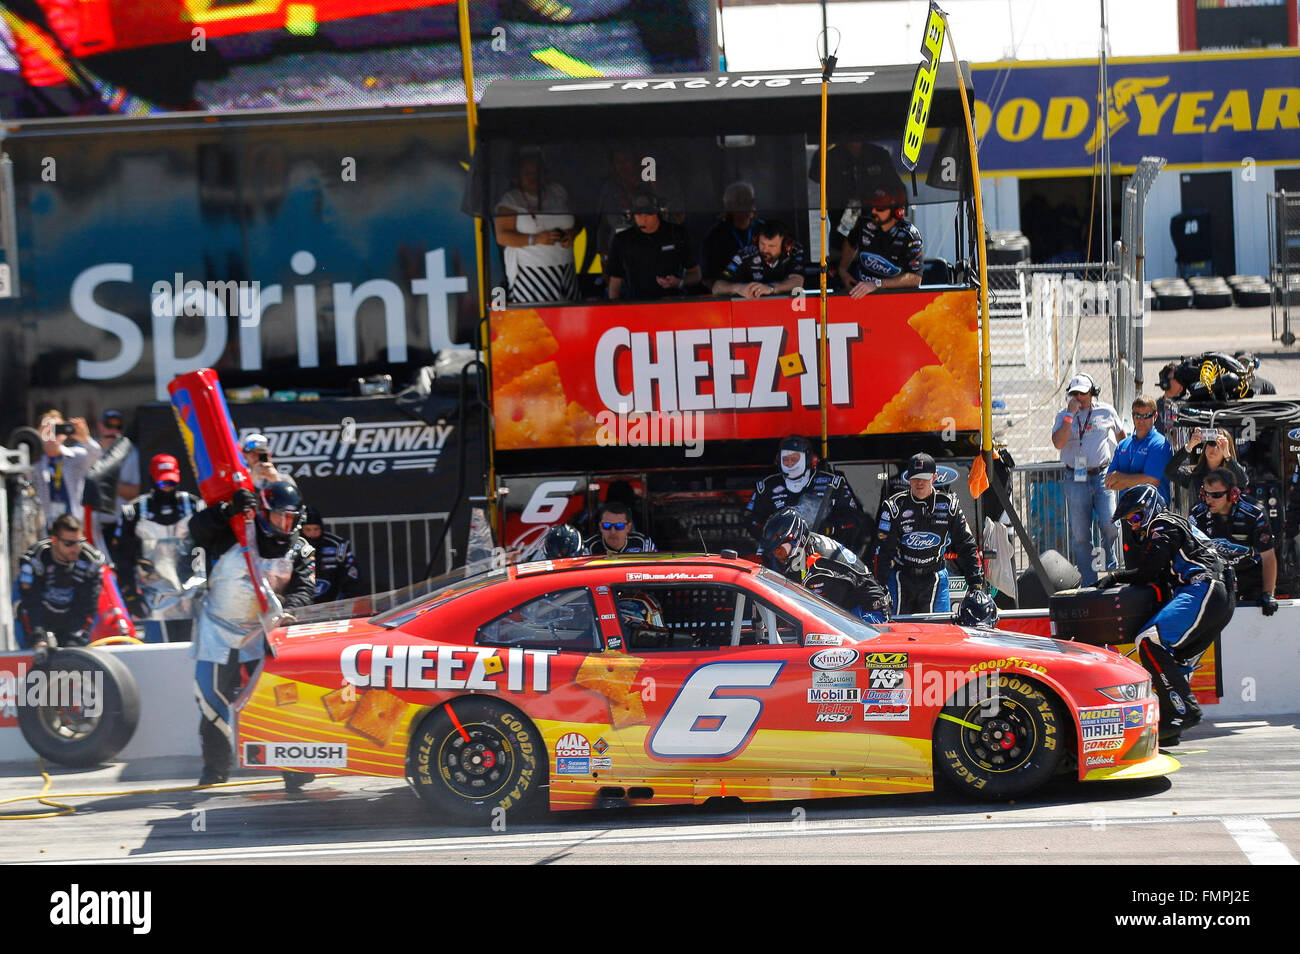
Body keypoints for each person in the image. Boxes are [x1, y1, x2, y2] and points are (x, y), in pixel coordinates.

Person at [189, 480, 316, 788]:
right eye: (277, 516)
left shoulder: (303, 549)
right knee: (211, 701)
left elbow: (306, 589)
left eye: (290, 517)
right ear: (263, 511)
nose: (283, 524)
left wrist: (286, 607)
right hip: (216, 632)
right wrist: (226, 510)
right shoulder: (235, 530)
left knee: (282, 701)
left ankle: (295, 769)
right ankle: (215, 770)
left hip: (265, 634)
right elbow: (197, 529)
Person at [1101, 485, 1234, 744]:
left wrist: (1114, 577)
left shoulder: (1163, 524)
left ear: (1150, 509)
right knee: (1173, 656)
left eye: (1137, 518)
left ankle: (1183, 712)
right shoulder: (1175, 525)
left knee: (1149, 640)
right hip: (1219, 594)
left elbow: (1148, 571)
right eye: (1130, 521)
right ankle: (1171, 725)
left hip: (1204, 586)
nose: (1135, 526)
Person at [872, 452, 984, 615]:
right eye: (915, 477)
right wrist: (880, 585)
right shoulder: (894, 507)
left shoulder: (948, 506)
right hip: (901, 577)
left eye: (924, 478)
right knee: (898, 629)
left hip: (935, 577)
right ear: (908, 479)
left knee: (939, 631)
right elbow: (883, 550)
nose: (919, 483)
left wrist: (975, 585)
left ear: (934, 477)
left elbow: (966, 545)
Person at [114, 455, 206, 642]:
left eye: (172, 482)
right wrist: (130, 595)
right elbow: (124, 557)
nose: (168, 487)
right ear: (152, 479)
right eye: (163, 482)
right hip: (152, 597)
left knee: (192, 654)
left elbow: (207, 547)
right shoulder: (135, 511)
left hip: (192, 595)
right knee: (159, 654)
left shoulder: (194, 506)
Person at [1051, 373, 1125, 586]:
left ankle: (1109, 559)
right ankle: (1089, 581)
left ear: (1092, 393)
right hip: (1076, 476)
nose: (1079, 397)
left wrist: (1119, 465)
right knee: (1081, 534)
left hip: (1102, 474)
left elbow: (1122, 437)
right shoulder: (1063, 415)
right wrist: (1069, 416)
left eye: (1083, 393)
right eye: (1075, 393)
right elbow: (1058, 443)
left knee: (1110, 523)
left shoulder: (1106, 411)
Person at [761, 509, 890, 623]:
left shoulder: (822, 567)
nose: (776, 553)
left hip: (870, 613)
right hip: (844, 607)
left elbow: (825, 616)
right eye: (773, 549)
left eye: (779, 548)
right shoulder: (805, 547)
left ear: (796, 539)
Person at [745, 435, 867, 555]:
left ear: (809, 459)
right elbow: (752, 520)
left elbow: (855, 519)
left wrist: (829, 528)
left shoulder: (833, 483)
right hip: (780, 554)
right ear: (778, 460)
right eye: (786, 459)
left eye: (794, 459)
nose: (790, 464)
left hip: (823, 552)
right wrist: (773, 535)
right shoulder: (766, 487)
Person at [493, 150, 578, 304]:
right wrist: (536, 238)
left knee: (568, 320)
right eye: (527, 173)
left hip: (566, 269)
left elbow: (578, 219)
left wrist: (572, 233)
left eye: (537, 173)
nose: (533, 177)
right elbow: (502, 236)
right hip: (531, 274)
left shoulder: (558, 191)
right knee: (538, 322)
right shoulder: (510, 199)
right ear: (517, 177)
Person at [17, 513, 105, 663]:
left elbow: (88, 607)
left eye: (79, 542)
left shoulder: (90, 562)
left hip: (72, 616)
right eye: (69, 544)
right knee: (35, 657)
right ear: (54, 540)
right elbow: (30, 604)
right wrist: (38, 638)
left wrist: (74, 641)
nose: (76, 548)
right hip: (38, 614)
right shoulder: (36, 560)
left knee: (75, 656)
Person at [1190, 469, 1278, 616]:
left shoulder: (1254, 513)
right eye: (1206, 493)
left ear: (1233, 493)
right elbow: (1190, 556)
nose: (1209, 499)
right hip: (1216, 575)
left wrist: (1268, 594)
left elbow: (1268, 556)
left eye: (1216, 495)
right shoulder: (1197, 515)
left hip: (1251, 574)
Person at [605, 190, 700, 300]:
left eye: (648, 213)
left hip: (672, 304)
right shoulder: (622, 239)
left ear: (657, 213)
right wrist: (616, 311)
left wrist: (679, 283)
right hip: (636, 306)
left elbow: (696, 274)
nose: (643, 217)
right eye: (638, 213)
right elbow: (615, 281)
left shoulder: (677, 234)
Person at [837, 185, 923, 298]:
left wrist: (876, 284)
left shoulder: (910, 235)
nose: (873, 211)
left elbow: (915, 279)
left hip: (894, 299)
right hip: (860, 296)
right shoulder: (863, 224)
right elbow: (849, 243)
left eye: (880, 208)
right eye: (873, 206)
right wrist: (843, 271)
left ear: (896, 211)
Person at [81, 409, 140, 554]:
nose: (113, 431)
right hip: (89, 525)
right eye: (109, 425)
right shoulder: (87, 450)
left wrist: (105, 482)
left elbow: (135, 492)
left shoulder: (131, 452)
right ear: (100, 425)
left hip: (119, 525)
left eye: (118, 427)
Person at [32, 410, 101, 534]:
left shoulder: (75, 456)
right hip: (44, 525)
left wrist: (85, 439)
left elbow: (97, 455)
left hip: (73, 522)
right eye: (47, 429)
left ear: (65, 433)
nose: (52, 434)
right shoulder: (33, 460)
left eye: (57, 429)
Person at [710, 219, 805, 299]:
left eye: (772, 246)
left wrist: (770, 288)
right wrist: (738, 288)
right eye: (762, 243)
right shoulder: (746, 254)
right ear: (756, 240)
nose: (765, 249)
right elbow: (717, 287)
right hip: (751, 308)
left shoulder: (794, 250)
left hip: (788, 306)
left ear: (785, 246)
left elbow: (797, 282)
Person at [1105, 395, 1173, 501]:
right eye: (1137, 415)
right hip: (1126, 510)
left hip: (1153, 511)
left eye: (1146, 416)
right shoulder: (1123, 445)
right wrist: (1136, 480)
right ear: (1132, 416)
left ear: (1155, 417)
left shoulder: (1160, 444)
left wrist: (1119, 477)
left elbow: (1151, 481)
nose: (1141, 420)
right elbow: (1109, 483)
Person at [700, 181, 761, 287]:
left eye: (750, 201)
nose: (747, 206)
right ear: (728, 205)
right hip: (729, 296)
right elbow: (709, 279)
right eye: (741, 202)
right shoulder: (715, 236)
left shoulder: (763, 230)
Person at [301, 506, 365, 603]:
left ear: (321, 528)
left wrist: (346, 600)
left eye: (316, 529)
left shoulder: (338, 545)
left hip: (332, 604)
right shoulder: (292, 545)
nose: (312, 533)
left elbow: (352, 576)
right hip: (300, 604)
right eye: (308, 530)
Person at [1165, 427, 1249, 499]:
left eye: (1220, 445)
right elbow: (1169, 472)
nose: (1214, 448)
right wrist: (1189, 446)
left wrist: (1227, 456)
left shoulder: (1233, 476)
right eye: (1211, 443)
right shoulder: (1194, 475)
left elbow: (1243, 482)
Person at [583, 500, 656, 556]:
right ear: (600, 527)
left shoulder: (643, 543)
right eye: (607, 526)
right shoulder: (588, 547)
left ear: (628, 527)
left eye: (619, 526)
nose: (613, 532)